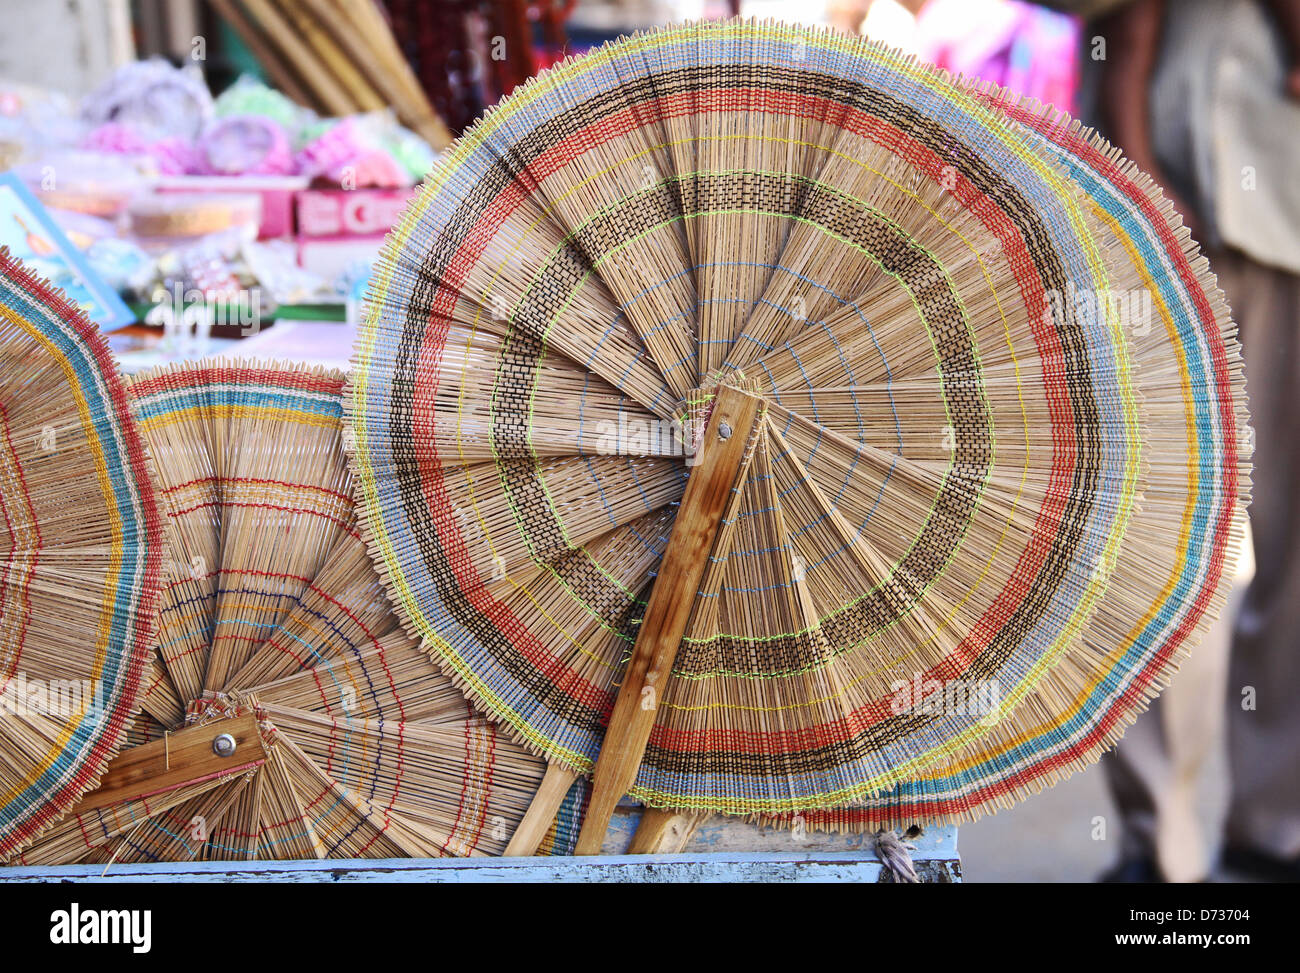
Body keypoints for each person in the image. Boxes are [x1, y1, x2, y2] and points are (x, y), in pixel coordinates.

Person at [1068, 0, 1300, 882]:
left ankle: (1278, 829)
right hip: (1140, 204)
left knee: (1296, 544)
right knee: (1146, 538)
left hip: (1286, 196)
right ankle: (1154, 843)